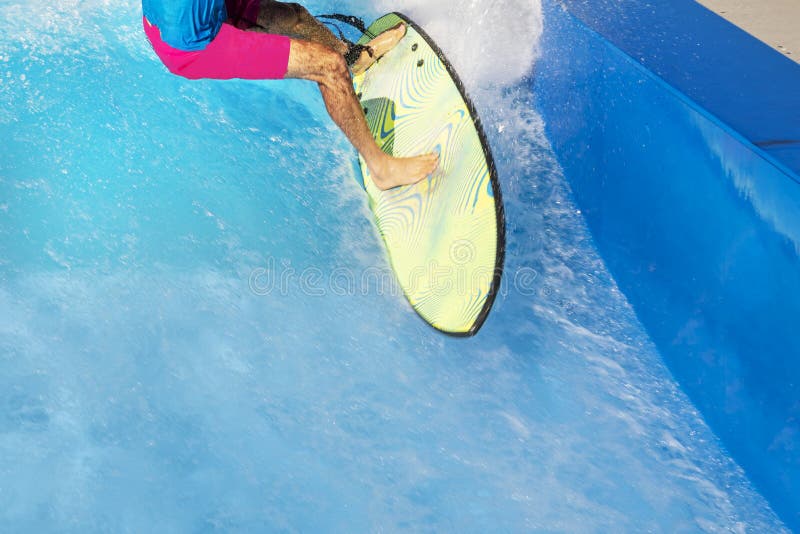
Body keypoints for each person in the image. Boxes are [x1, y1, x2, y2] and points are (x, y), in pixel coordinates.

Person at [141, 0, 438, 190]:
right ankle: (382, 168)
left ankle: (355, 60)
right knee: (328, 67)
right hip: (193, 43)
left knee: (294, 17)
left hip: (197, 11)